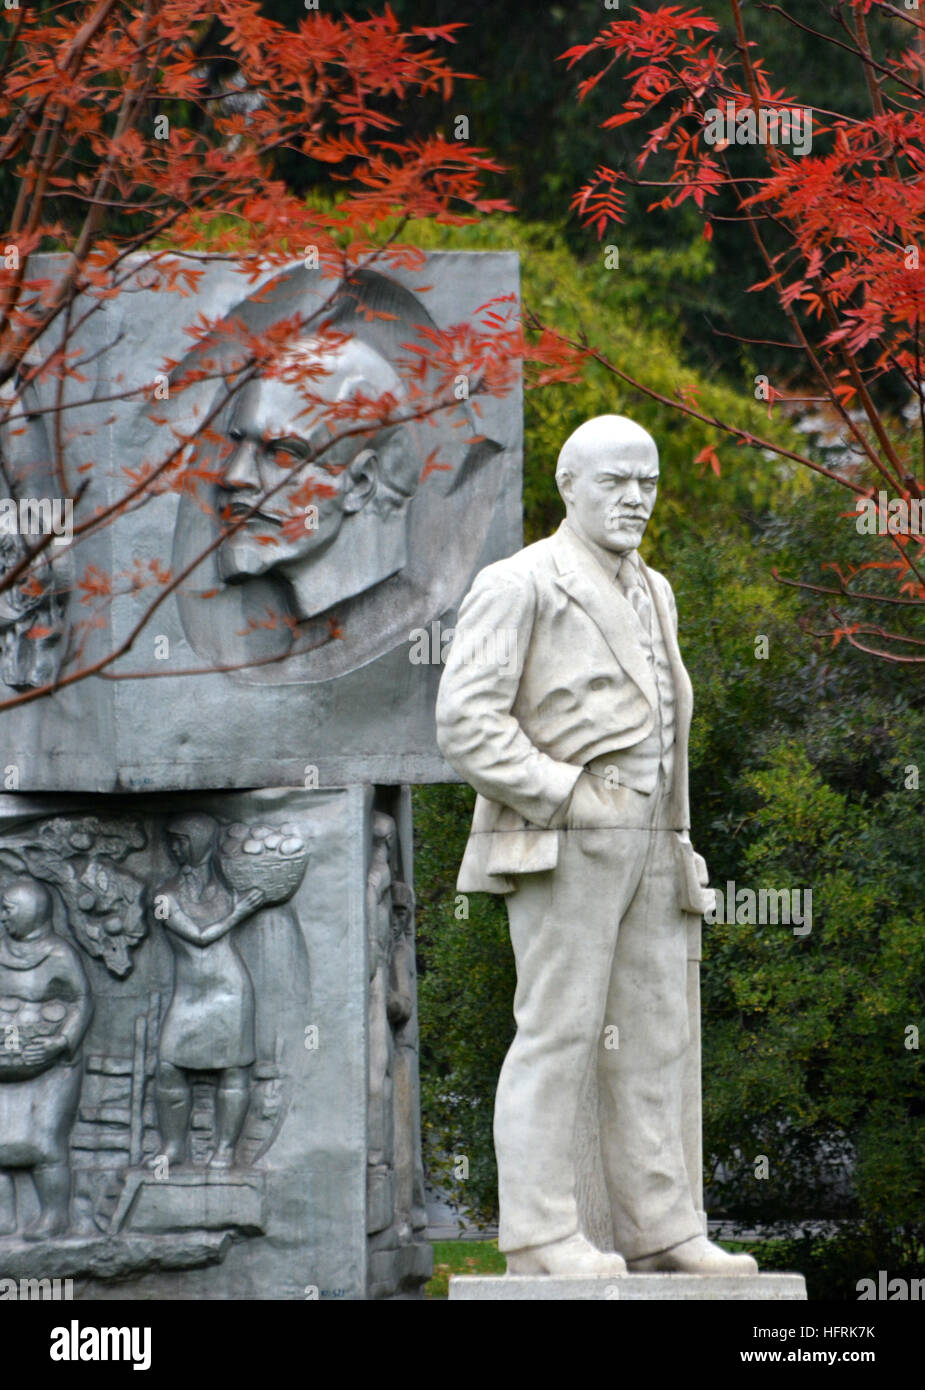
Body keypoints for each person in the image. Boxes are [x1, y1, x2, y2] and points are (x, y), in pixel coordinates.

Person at [435, 415, 758, 1277]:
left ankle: (662, 1228)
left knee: (656, 1039)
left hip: (652, 840)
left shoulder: (655, 590)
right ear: (567, 486)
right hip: (563, 839)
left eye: (646, 483)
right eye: (615, 482)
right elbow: (465, 723)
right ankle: (540, 1236)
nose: (634, 499)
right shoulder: (520, 582)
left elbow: (667, 725)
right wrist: (567, 796)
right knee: (557, 1034)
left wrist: (678, 837)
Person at [154, 813, 264, 1169]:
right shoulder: (163, 896)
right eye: (171, 840)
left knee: (234, 1070)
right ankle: (173, 1147)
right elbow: (199, 937)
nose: (174, 847)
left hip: (231, 989)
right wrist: (240, 913)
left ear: (201, 841)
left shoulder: (227, 888)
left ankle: (226, 1149)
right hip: (189, 993)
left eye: (182, 839)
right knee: (169, 1066)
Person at [0, 876, 92, 1238]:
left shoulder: (59, 955)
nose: (3, 918)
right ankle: (4, 1219)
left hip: (51, 1064)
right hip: (6, 1061)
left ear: (33, 912)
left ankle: (55, 1216)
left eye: (9, 910)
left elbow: (82, 1001)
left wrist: (60, 1042)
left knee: (44, 1144)